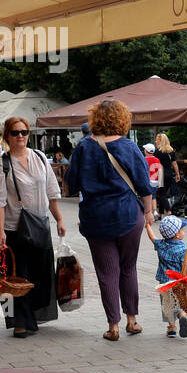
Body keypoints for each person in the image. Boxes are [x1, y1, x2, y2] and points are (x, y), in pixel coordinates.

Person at [65, 99, 155, 341]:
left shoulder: (83, 147)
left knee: (107, 272)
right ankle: (132, 320)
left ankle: (112, 326)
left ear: (96, 119)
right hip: (128, 214)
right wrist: (148, 212)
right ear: (122, 119)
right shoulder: (130, 147)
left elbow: (71, 184)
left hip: (95, 217)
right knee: (128, 268)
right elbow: (144, 185)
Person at [0, 117, 65, 339]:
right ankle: (18, 323)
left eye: (24, 132)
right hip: (15, 228)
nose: (20, 137)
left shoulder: (40, 157)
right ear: (7, 135)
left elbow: (52, 193)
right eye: (15, 133)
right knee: (15, 276)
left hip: (40, 224)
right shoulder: (3, 163)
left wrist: (60, 220)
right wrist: (0, 232)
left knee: (39, 274)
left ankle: (32, 316)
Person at [145, 214, 187, 338]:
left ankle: (172, 328)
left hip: (164, 282)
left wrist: (147, 225)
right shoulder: (183, 248)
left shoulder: (161, 245)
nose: (184, 232)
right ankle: (182, 316)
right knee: (180, 302)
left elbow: (152, 237)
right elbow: (186, 267)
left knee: (167, 303)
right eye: (182, 230)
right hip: (178, 281)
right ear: (177, 235)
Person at [153, 132, 181, 216]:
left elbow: (155, 165)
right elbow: (174, 163)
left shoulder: (157, 152)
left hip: (161, 175)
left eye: (157, 140)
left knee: (162, 194)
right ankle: (160, 214)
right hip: (169, 174)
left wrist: (153, 176)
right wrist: (177, 174)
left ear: (161, 141)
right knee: (164, 193)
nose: (155, 141)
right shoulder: (171, 151)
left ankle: (169, 211)